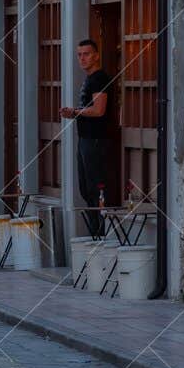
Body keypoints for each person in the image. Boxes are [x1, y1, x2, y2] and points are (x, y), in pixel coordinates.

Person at [60, 38, 115, 237]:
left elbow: (99, 110)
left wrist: (74, 112)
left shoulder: (99, 78)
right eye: (79, 55)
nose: (82, 58)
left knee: (95, 187)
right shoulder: (89, 79)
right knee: (85, 188)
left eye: (86, 54)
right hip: (85, 139)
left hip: (96, 140)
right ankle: (95, 232)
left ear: (96, 55)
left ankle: (100, 233)